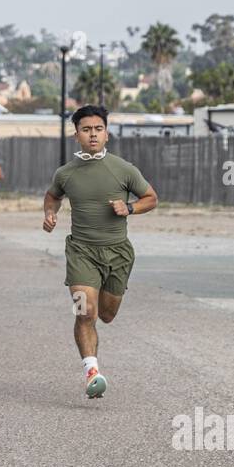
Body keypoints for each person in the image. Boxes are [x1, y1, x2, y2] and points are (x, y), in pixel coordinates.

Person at [43, 105, 157, 399]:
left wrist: (129, 207)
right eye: (86, 129)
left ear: (106, 133)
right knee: (85, 312)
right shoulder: (66, 173)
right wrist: (50, 213)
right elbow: (52, 196)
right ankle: (92, 372)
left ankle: (93, 360)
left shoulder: (123, 169)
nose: (92, 135)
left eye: (98, 129)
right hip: (81, 251)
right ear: (76, 134)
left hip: (118, 253)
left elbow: (151, 198)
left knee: (106, 314)